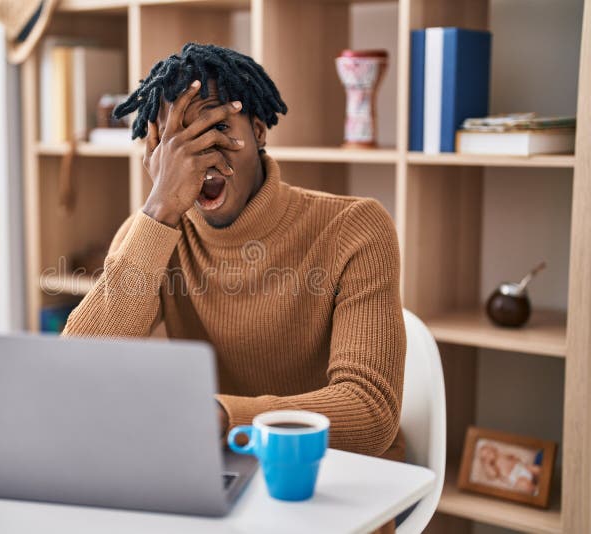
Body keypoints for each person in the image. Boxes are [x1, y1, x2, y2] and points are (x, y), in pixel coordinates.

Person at [62, 42, 406, 531]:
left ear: (259, 131)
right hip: (216, 489)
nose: (198, 154)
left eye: (218, 128)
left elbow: (370, 413)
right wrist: (159, 210)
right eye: (177, 139)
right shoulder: (153, 233)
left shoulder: (355, 228)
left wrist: (224, 416)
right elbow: (77, 370)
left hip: (330, 492)